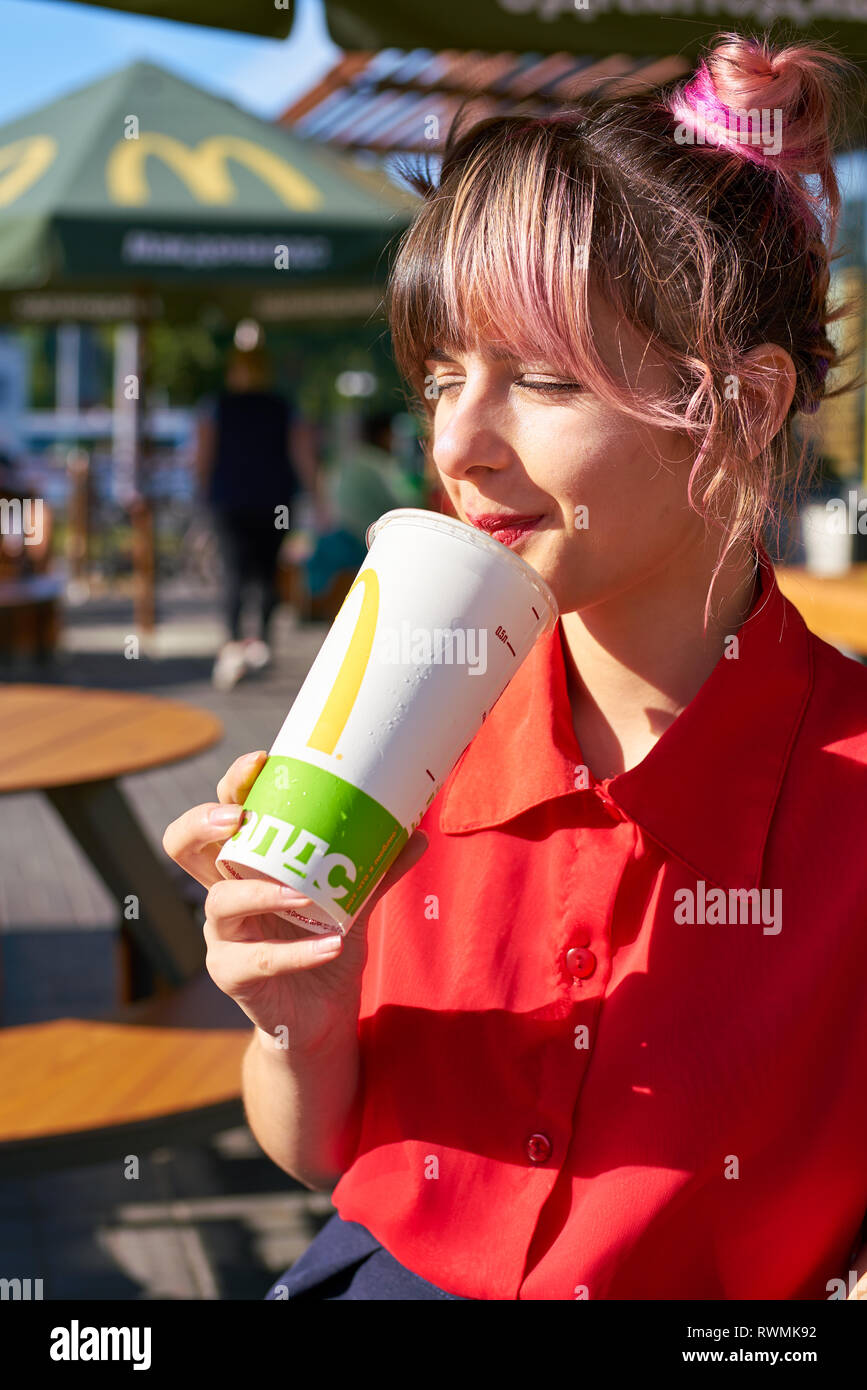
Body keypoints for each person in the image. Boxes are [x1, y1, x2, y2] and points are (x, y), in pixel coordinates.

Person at [164, 32, 867, 1299]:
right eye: (441, 377)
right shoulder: (408, 732)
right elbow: (325, 1157)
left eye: (541, 378)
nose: (460, 442)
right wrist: (297, 1024)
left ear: (746, 406)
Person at [194, 345, 324, 690]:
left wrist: (202, 497)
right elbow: (303, 455)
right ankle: (261, 643)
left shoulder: (216, 406)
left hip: (229, 502)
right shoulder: (283, 407)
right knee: (267, 571)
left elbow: (202, 456)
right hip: (274, 501)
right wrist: (317, 497)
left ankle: (233, 643)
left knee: (234, 571)